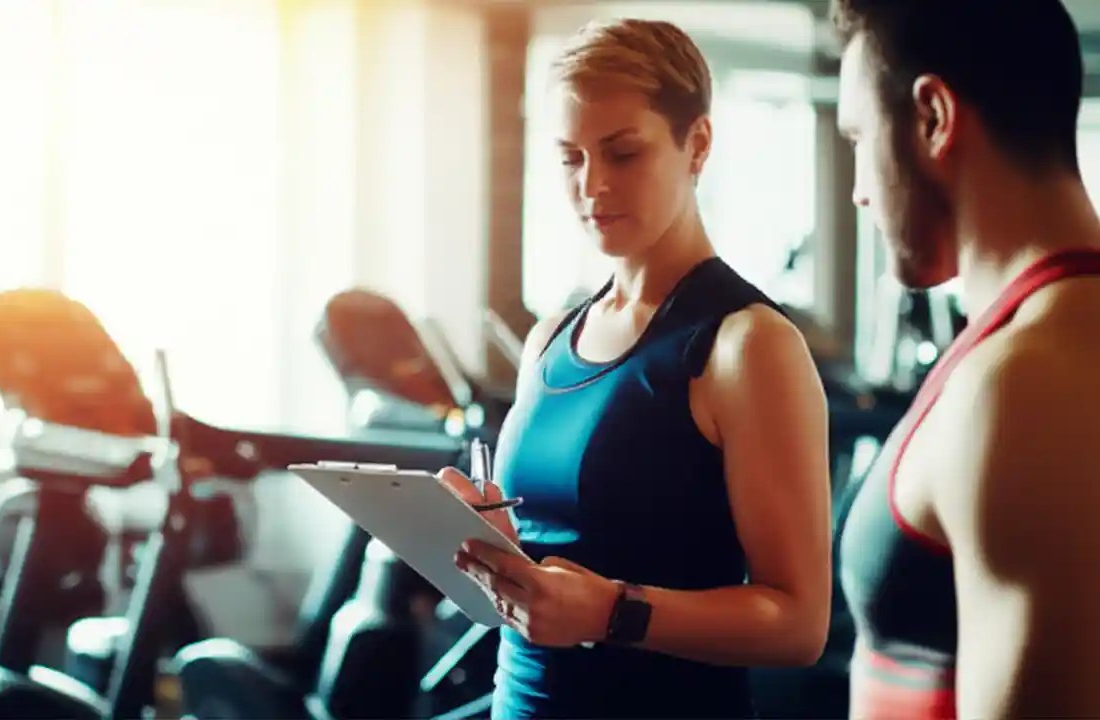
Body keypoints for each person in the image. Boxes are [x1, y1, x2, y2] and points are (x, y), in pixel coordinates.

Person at [439, 18, 833, 719]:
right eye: (570, 158)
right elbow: (551, 571)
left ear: (697, 145)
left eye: (622, 154)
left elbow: (799, 626)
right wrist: (490, 553)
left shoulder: (747, 346)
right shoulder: (551, 338)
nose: (592, 186)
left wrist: (614, 614)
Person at [831, 1, 1100, 717]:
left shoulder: (1028, 380)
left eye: (858, 137)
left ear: (932, 119)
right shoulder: (1028, 346)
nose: (858, 189)